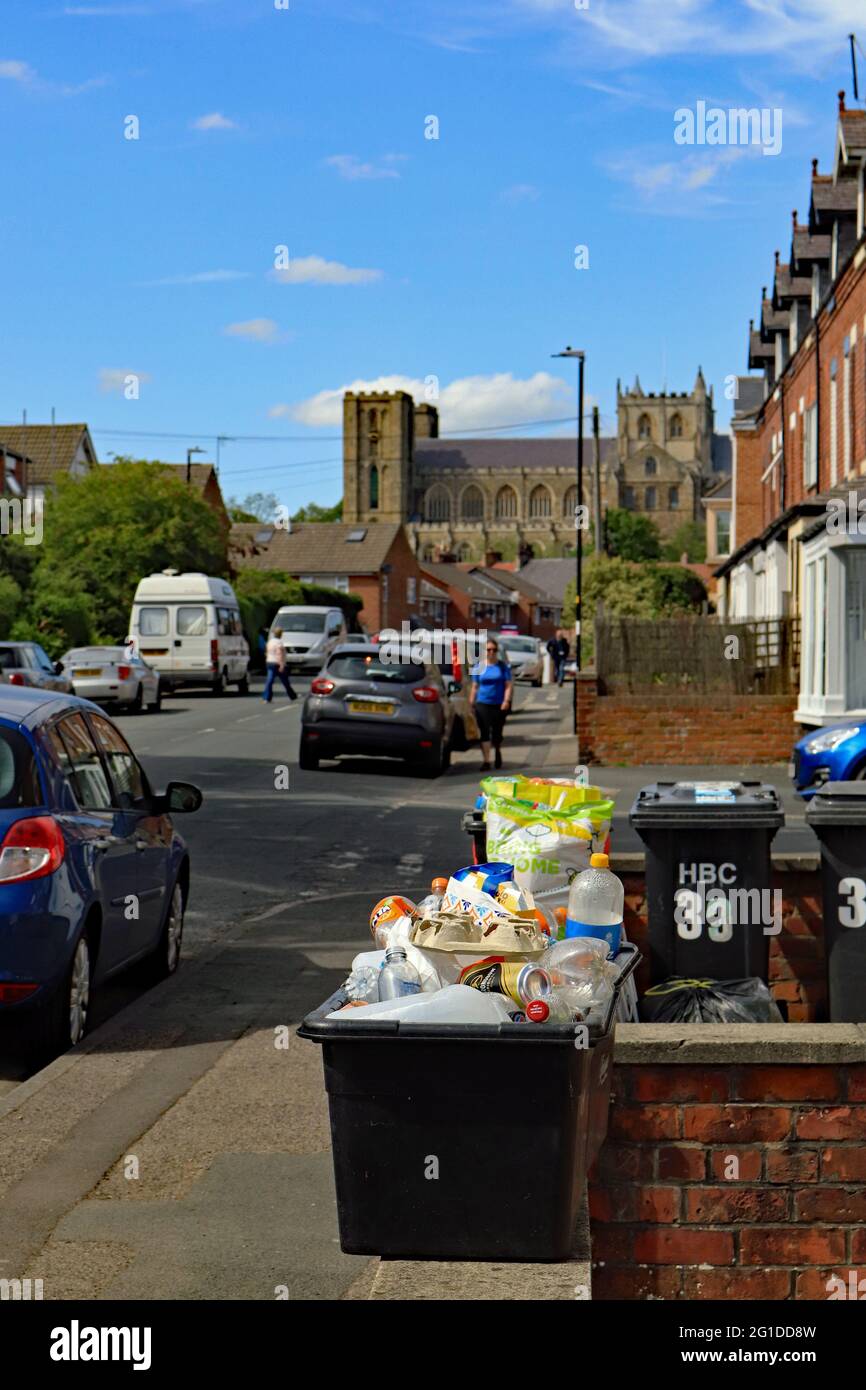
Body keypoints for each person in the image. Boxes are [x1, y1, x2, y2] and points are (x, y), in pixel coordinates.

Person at [470, 637, 513, 771]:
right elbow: (474, 686)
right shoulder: (478, 667)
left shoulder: (502, 667)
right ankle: (486, 761)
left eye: (494, 650)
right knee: (484, 732)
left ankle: (498, 750)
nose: (491, 652)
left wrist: (506, 701)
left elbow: (508, 685)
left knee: (497, 732)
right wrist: (471, 703)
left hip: (499, 704)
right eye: (488, 650)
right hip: (482, 703)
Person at [262, 628, 298, 703]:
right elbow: (279, 654)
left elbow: (266, 651)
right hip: (277, 663)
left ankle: (267, 697)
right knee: (285, 681)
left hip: (269, 662)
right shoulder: (279, 643)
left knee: (270, 680)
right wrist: (281, 664)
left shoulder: (270, 642)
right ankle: (292, 695)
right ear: (280, 634)